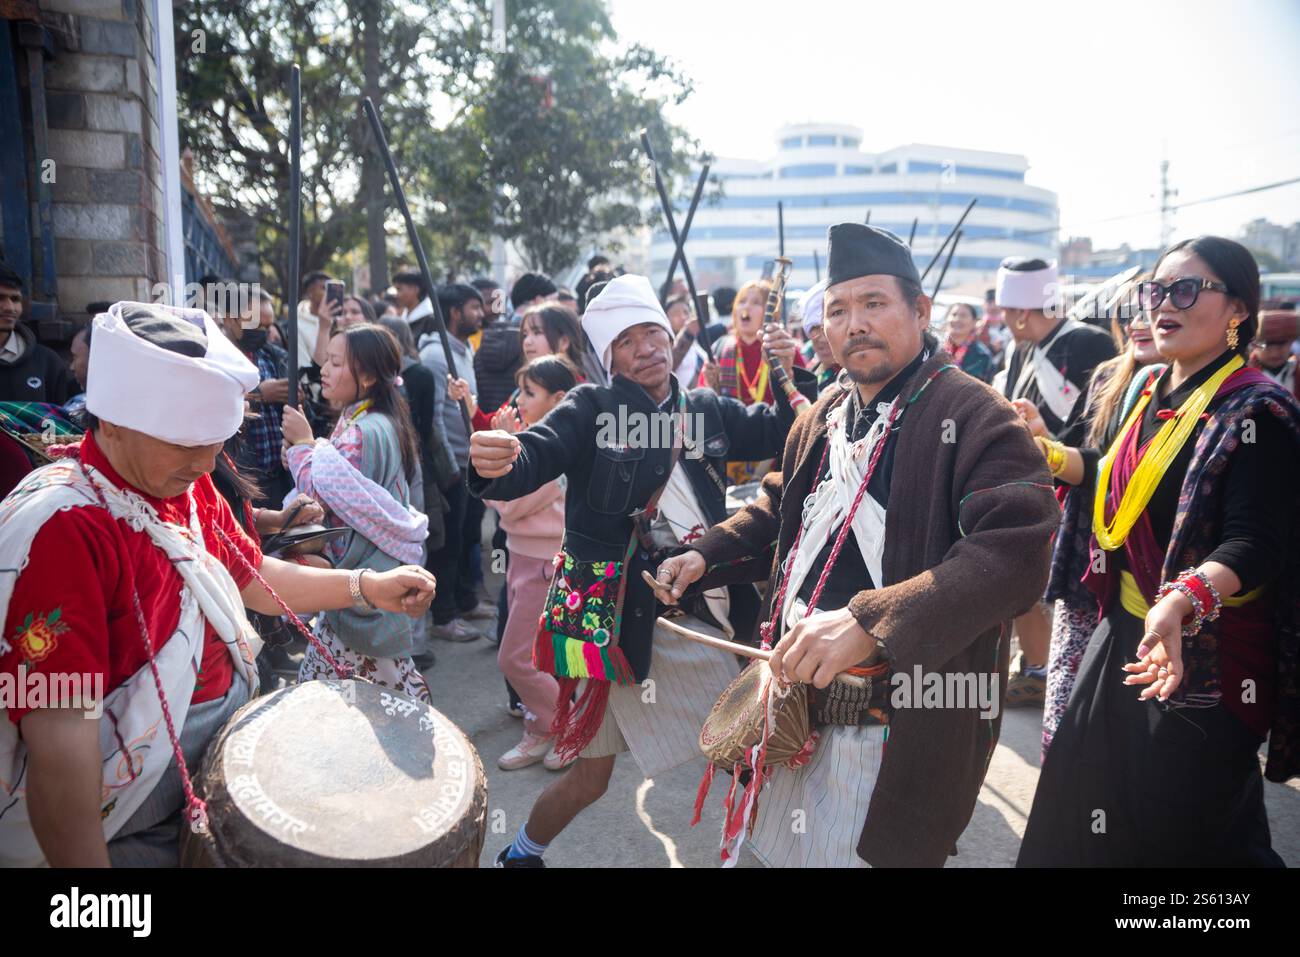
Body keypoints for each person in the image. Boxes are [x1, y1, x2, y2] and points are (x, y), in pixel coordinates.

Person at [653, 224, 1059, 867]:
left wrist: (871, 621)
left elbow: (1012, 556)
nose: (854, 324)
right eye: (838, 310)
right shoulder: (823, 414)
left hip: (897, 720)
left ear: (920, 312)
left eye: (874, 304)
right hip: (789, 698)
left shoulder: (979, 416)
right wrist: (708, 555)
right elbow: (781, 510)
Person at [0, 301, 436, 867]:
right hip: (132, 808)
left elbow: (252, 577)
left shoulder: (185, 486)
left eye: (216, 441)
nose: (208, 463)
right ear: (112, 420)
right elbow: (61, 745)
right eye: (187, 442)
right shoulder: (64, 531)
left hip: (218, 746)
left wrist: (367, 586)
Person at [470, 273, 810, 867]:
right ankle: (520, 853)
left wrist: (790, 372)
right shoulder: (588, 407)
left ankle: (760, 852)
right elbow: (536, 455)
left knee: (753, 742)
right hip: (620, 623)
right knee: (594, 778)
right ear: (610, 358)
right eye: (627, 340)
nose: (647, 347)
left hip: (706, 608)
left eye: (653, 332)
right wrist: (497, 460)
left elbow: (785, 430)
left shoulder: (703, 407)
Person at [1019, 236, 1300, 867]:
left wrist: (1183, 598)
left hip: (1206, 650)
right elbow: (1119, 483)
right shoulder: (1148, 389)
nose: (1161, 305)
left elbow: (1257, 541)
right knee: (1086, 803)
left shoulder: (1258, 409)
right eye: (1156, 290)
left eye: (1185, 290)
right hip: (1126, 635)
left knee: (1191, 828)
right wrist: (1045, 449)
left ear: (1237, 311)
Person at [1027, 277, 1163, 756]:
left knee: (1141, 711)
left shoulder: (1206, 392)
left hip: (1160, 577)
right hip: (1092, 556)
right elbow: (1089, 455)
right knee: (1068, 697)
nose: (1141, 324)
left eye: (1153, 312)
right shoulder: (1109, 376)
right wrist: (1044, 443)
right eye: (1131, 314)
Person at [281, 323, 432, 699]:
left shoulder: (363, 431)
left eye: (335, 362)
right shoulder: (375, 420)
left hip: (363, 585)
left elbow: (323, 495)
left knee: (369, 698)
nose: (324, 371)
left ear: (365, 375)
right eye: (326, 361)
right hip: (368, 577)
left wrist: (301, 445)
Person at [999, 257, 1117, 707]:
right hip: (1032, 481)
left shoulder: (1091, 345)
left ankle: (1056, 672)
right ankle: (1036, 664)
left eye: (1009, 314)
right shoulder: (1022, 349)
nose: (1006, 323)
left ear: (1023, 313)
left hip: (1082, 490)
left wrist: (1046, 441)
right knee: (1022, 581)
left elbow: (1099, 436)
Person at [485, 355, 578, 771]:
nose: (519, 400)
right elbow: (490, 495)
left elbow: (507, 505)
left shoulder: (553, 449)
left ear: (559, 399)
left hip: (543, 562)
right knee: (539, 657)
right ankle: (547, 726)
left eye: (529, 392)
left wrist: (504, 449)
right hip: (524, 558)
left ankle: (564, 725)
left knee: (515, 658)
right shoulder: (532, 439)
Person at [421, 283, 494, 641]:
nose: (481, 314)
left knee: (468, 537)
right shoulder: (437, 356)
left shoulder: (463, 350)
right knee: (448, 544)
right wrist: (450, 469)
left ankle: (466, 601)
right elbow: (435, 417)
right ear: (454, 312)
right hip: (454, 467)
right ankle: (444, 615)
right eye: (473, 308)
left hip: (470, 460)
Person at [237, 292, 294, 506]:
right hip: (245, 479)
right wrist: (259, 396)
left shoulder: (272, 356)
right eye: (256, 325)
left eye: (267, 327)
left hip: (279, 478)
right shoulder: (216, 357)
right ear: (231, 319)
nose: (262, 334)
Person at [0, 261, 74, 404]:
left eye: (15, 299)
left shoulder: (48, 363)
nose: (10, 307)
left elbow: (59, 422)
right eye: (0, 298)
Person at [798, 280, 840, 391]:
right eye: (815, 329)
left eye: (826, 327)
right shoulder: (811, 371)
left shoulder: (855, 379)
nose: (822, 339)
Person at [663, 293, 709, 388]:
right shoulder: (664, 344)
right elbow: (669, 365)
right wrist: (687, 335)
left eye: (686, 312)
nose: (683, 317)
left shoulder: (695, 342)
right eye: (676, 314)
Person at [943, 302, 995, 383]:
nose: (957, 319)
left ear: (974, 322)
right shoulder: (935, 349)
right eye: (954, 315)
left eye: (963, 316)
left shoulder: (982, 356)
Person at [1251, 307, 1298, 396]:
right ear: (1254, 344)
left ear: (1291, 342)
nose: (1274, 353)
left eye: (1281, 344)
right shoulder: (1242, 375)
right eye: (1267, 345)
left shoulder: (1297, 370)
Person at [393, 270, 435, 340]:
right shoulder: (403, 316)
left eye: (399, 289)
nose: (396, 295)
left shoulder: (431, 320)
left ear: (415, 289)